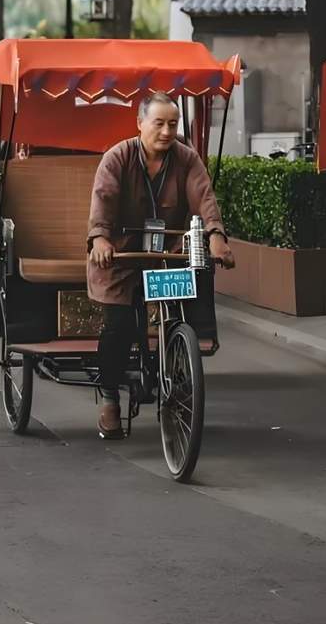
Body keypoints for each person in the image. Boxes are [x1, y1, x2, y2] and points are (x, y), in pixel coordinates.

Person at [87, 91, 236, 439]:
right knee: (118, 325)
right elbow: (102, 199)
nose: (167, 131)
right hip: (121, 256)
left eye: (173, 124)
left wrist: (216, 235)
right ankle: (109, 397)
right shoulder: (118, 158)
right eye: (159, 123)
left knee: (183, 315)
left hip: (167, 252)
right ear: (140, 124)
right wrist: (99, 239)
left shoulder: (186, 158)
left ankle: (179, 381)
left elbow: (204, 196)